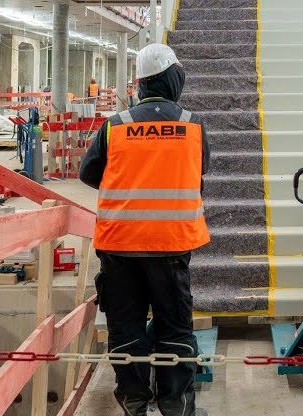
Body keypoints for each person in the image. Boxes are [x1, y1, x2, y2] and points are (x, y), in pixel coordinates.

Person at [80, 44, 211, 416]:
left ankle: (135, 402)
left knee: (127, 330)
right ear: (173, 78)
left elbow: (89, 174)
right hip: (170, 247)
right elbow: (197, 177)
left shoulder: (116, 124)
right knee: (174, 329)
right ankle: (176, 404)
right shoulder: (192, 123)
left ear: (140, 83)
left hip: (120, 247)